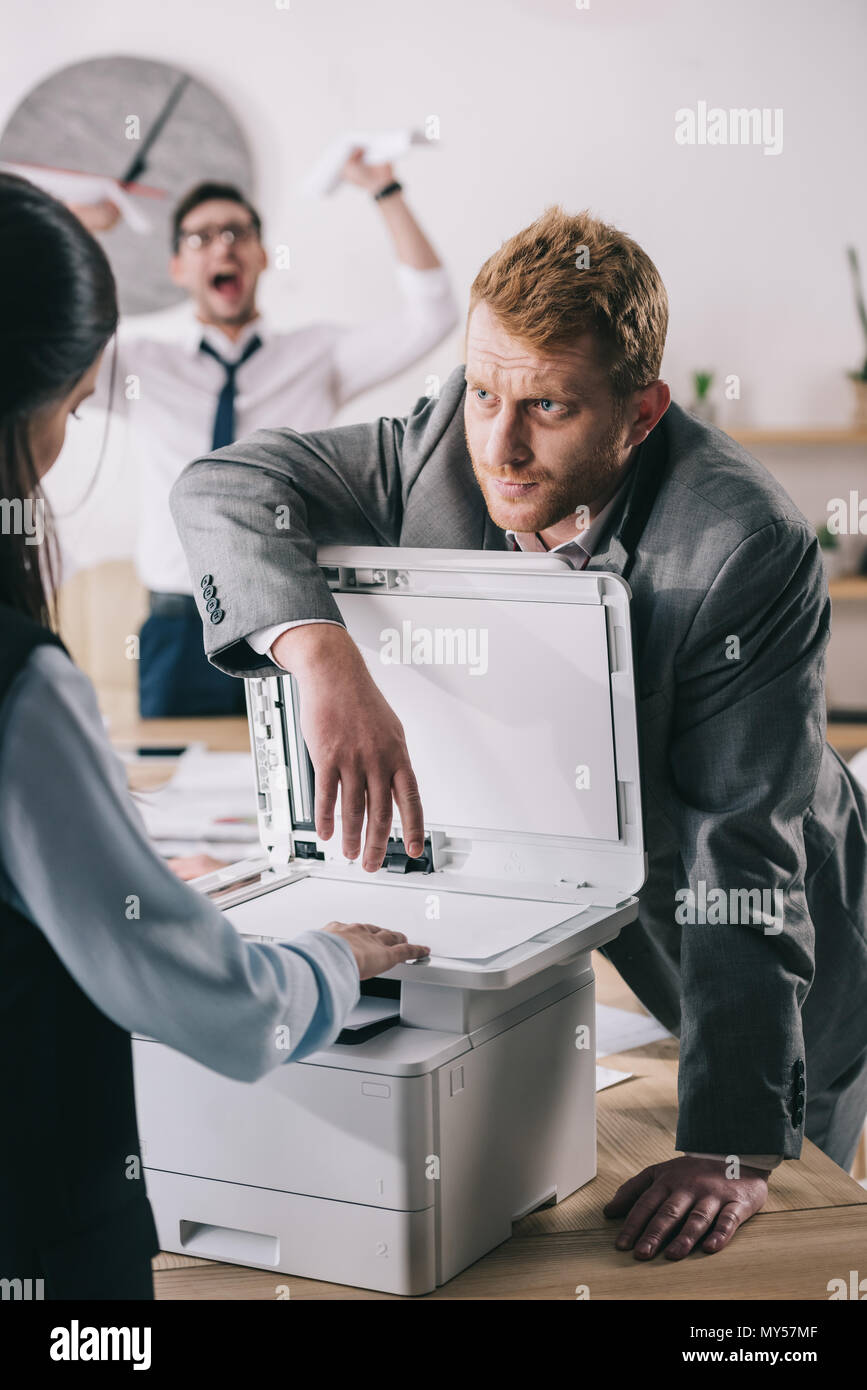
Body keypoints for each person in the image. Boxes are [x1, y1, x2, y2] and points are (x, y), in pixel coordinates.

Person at [171, 205, 867, 1264]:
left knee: (778, 1224)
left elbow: (745, 849)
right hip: (576, 881)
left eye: (546, 405)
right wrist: (319, 650)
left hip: (771, 914)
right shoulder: (440, 446)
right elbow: (222, 486)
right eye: (486, 392)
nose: (497, 445)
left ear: (642, 413)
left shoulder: (743, 544)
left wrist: (735, 1146)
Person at [0, 171, 429, 1300]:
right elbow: (206, 1000)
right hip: (41, 1226)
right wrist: (338, 952)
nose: (74, 431)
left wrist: (101, 859)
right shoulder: (22, 682)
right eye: (76, 406)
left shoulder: (320, 348)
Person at [68, 157, 458, 717]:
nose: (222, 247)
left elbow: (433, 315)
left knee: (301, 795)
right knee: (180, 792)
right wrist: (76, 230)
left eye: (237, 233)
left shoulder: (318, 356)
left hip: (293, 624)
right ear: (178, 266)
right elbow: (50, 338)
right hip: (178, 632)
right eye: (201, 237)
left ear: (261, 256)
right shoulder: (138, 364)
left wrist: (384, 188)